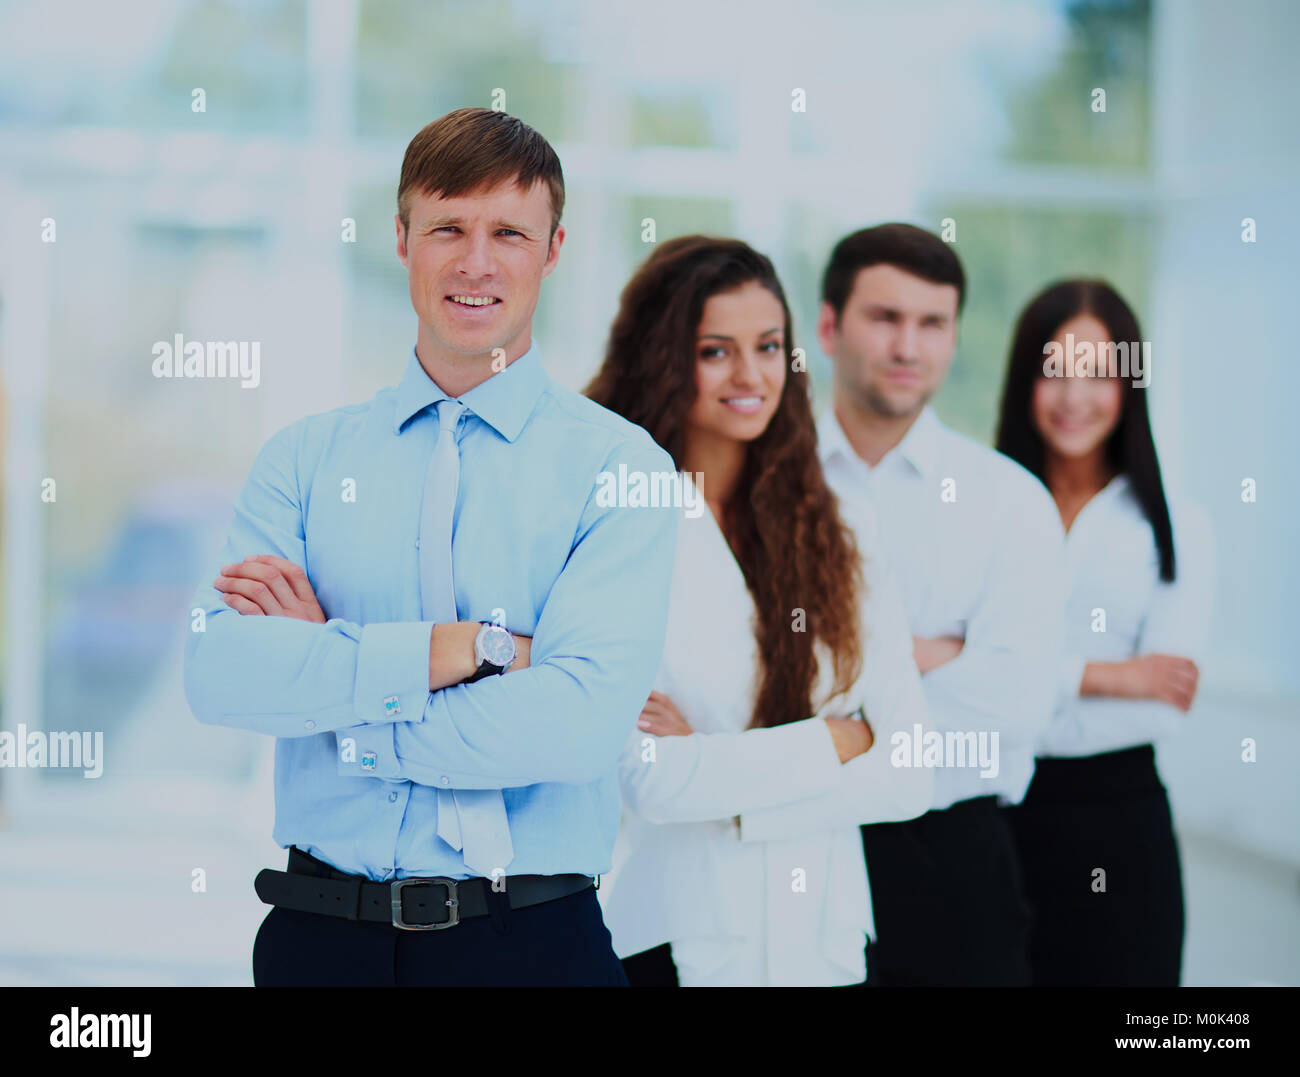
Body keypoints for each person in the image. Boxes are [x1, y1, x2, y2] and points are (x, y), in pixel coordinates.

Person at [182, 107, 678, 987]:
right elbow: (222, 675)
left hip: (528, 945)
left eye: (508, 233)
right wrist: (467, 652)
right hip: (318, 942)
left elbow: (578, 728)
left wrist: (339, 698)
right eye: (447, 226)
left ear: (553, 250)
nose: (475, 261)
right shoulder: (302, 459)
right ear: (402, 237)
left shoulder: (619, 467)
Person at [587, 235, 933, 987]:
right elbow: (648, 778)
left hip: (828, 949)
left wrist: (726, 780)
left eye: (769, 346)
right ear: (664, 358)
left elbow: (913, 768)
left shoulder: (838, 520)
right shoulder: (619, 518)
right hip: (679, 943)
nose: (751, 375)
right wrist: (838, 738)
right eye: (716, 351)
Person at [814, 223, 1066, 986]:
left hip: (952, 857)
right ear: (829, 326)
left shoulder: (1008, 500)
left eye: (932, 323)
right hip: (793, 842)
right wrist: (926, 656)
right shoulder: (763, 483)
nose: (908, 345)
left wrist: (838, 684)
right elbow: (734, 683)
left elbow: (1018, 701)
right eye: (885, 317)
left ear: (954, 338)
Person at [996, 279, 1214, 986]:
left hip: (1118, 823)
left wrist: (1014, 669)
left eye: (1099, 373)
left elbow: (1163, 701)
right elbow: (940, 670)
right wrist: (1108, 673)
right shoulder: (984, 505)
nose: (1074, 396)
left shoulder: (1176, 523)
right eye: (1054, 370)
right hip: (995, 815)